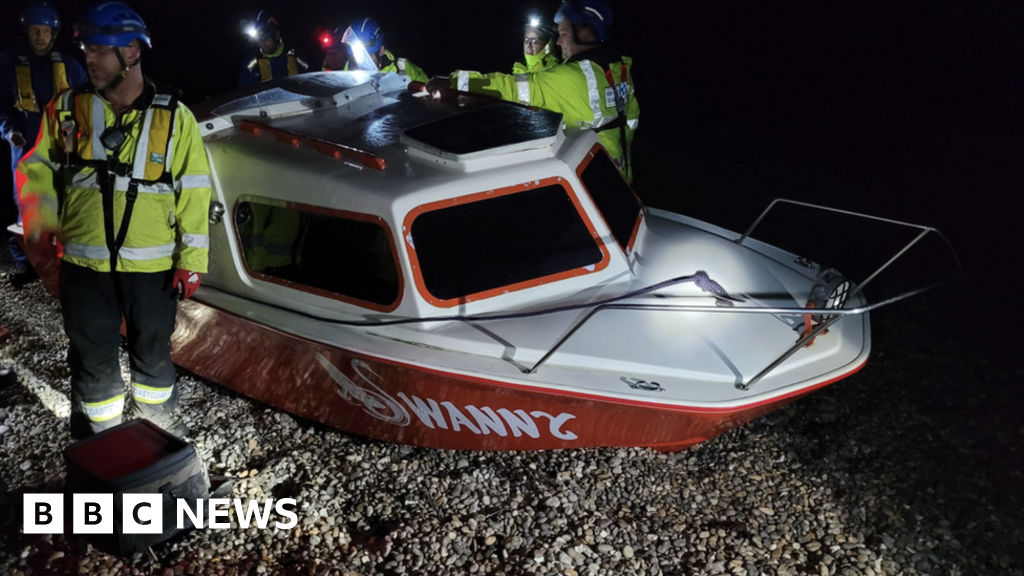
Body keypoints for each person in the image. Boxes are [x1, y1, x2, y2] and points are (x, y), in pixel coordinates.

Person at [16, 1, 212, 439]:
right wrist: (40, 235)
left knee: (154, 354)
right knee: (92, 356)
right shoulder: (66, 109)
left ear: (132, 53)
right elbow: (35, 173)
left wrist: (192, 260)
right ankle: (101, 439)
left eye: (100, 50)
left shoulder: (174, 117)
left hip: (153, 268)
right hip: (84, 266)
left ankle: (157, 427)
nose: (88, 58)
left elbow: (195, 193)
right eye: (87, 48)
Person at [431, 0, 639, 182]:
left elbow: (509, 87)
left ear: (585, 34)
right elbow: (629, 121)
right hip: (619, 180)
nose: (558, 42)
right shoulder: (619, 71)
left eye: (563, 34)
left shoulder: (573, 77)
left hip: (591, 185)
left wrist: (454, 81)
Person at [0, 1, 87, 287]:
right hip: (24, 143)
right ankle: (28, 263)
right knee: (26, 203)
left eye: (45, 30)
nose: (40, 36)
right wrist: (9, 130)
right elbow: (2, 106)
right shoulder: (9, 63)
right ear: (27, 32)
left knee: (67, 199)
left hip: (63, 144)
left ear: (54, 33)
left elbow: (87, 104)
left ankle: (68, 259)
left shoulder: (72, 66)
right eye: (34, 30)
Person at [340, 18, 429, 83]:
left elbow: (429, 96)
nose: (362, 64)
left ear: (381, 50)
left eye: (368, 57)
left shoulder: (402, 69)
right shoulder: (347, 71)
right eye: (358, 57)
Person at [239, 11, 309, 87]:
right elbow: (244, 92)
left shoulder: (295, 56)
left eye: (266, 38)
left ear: (277, 35)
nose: (262, 42)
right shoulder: (251, 64)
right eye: (259, 39)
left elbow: (312, 81)